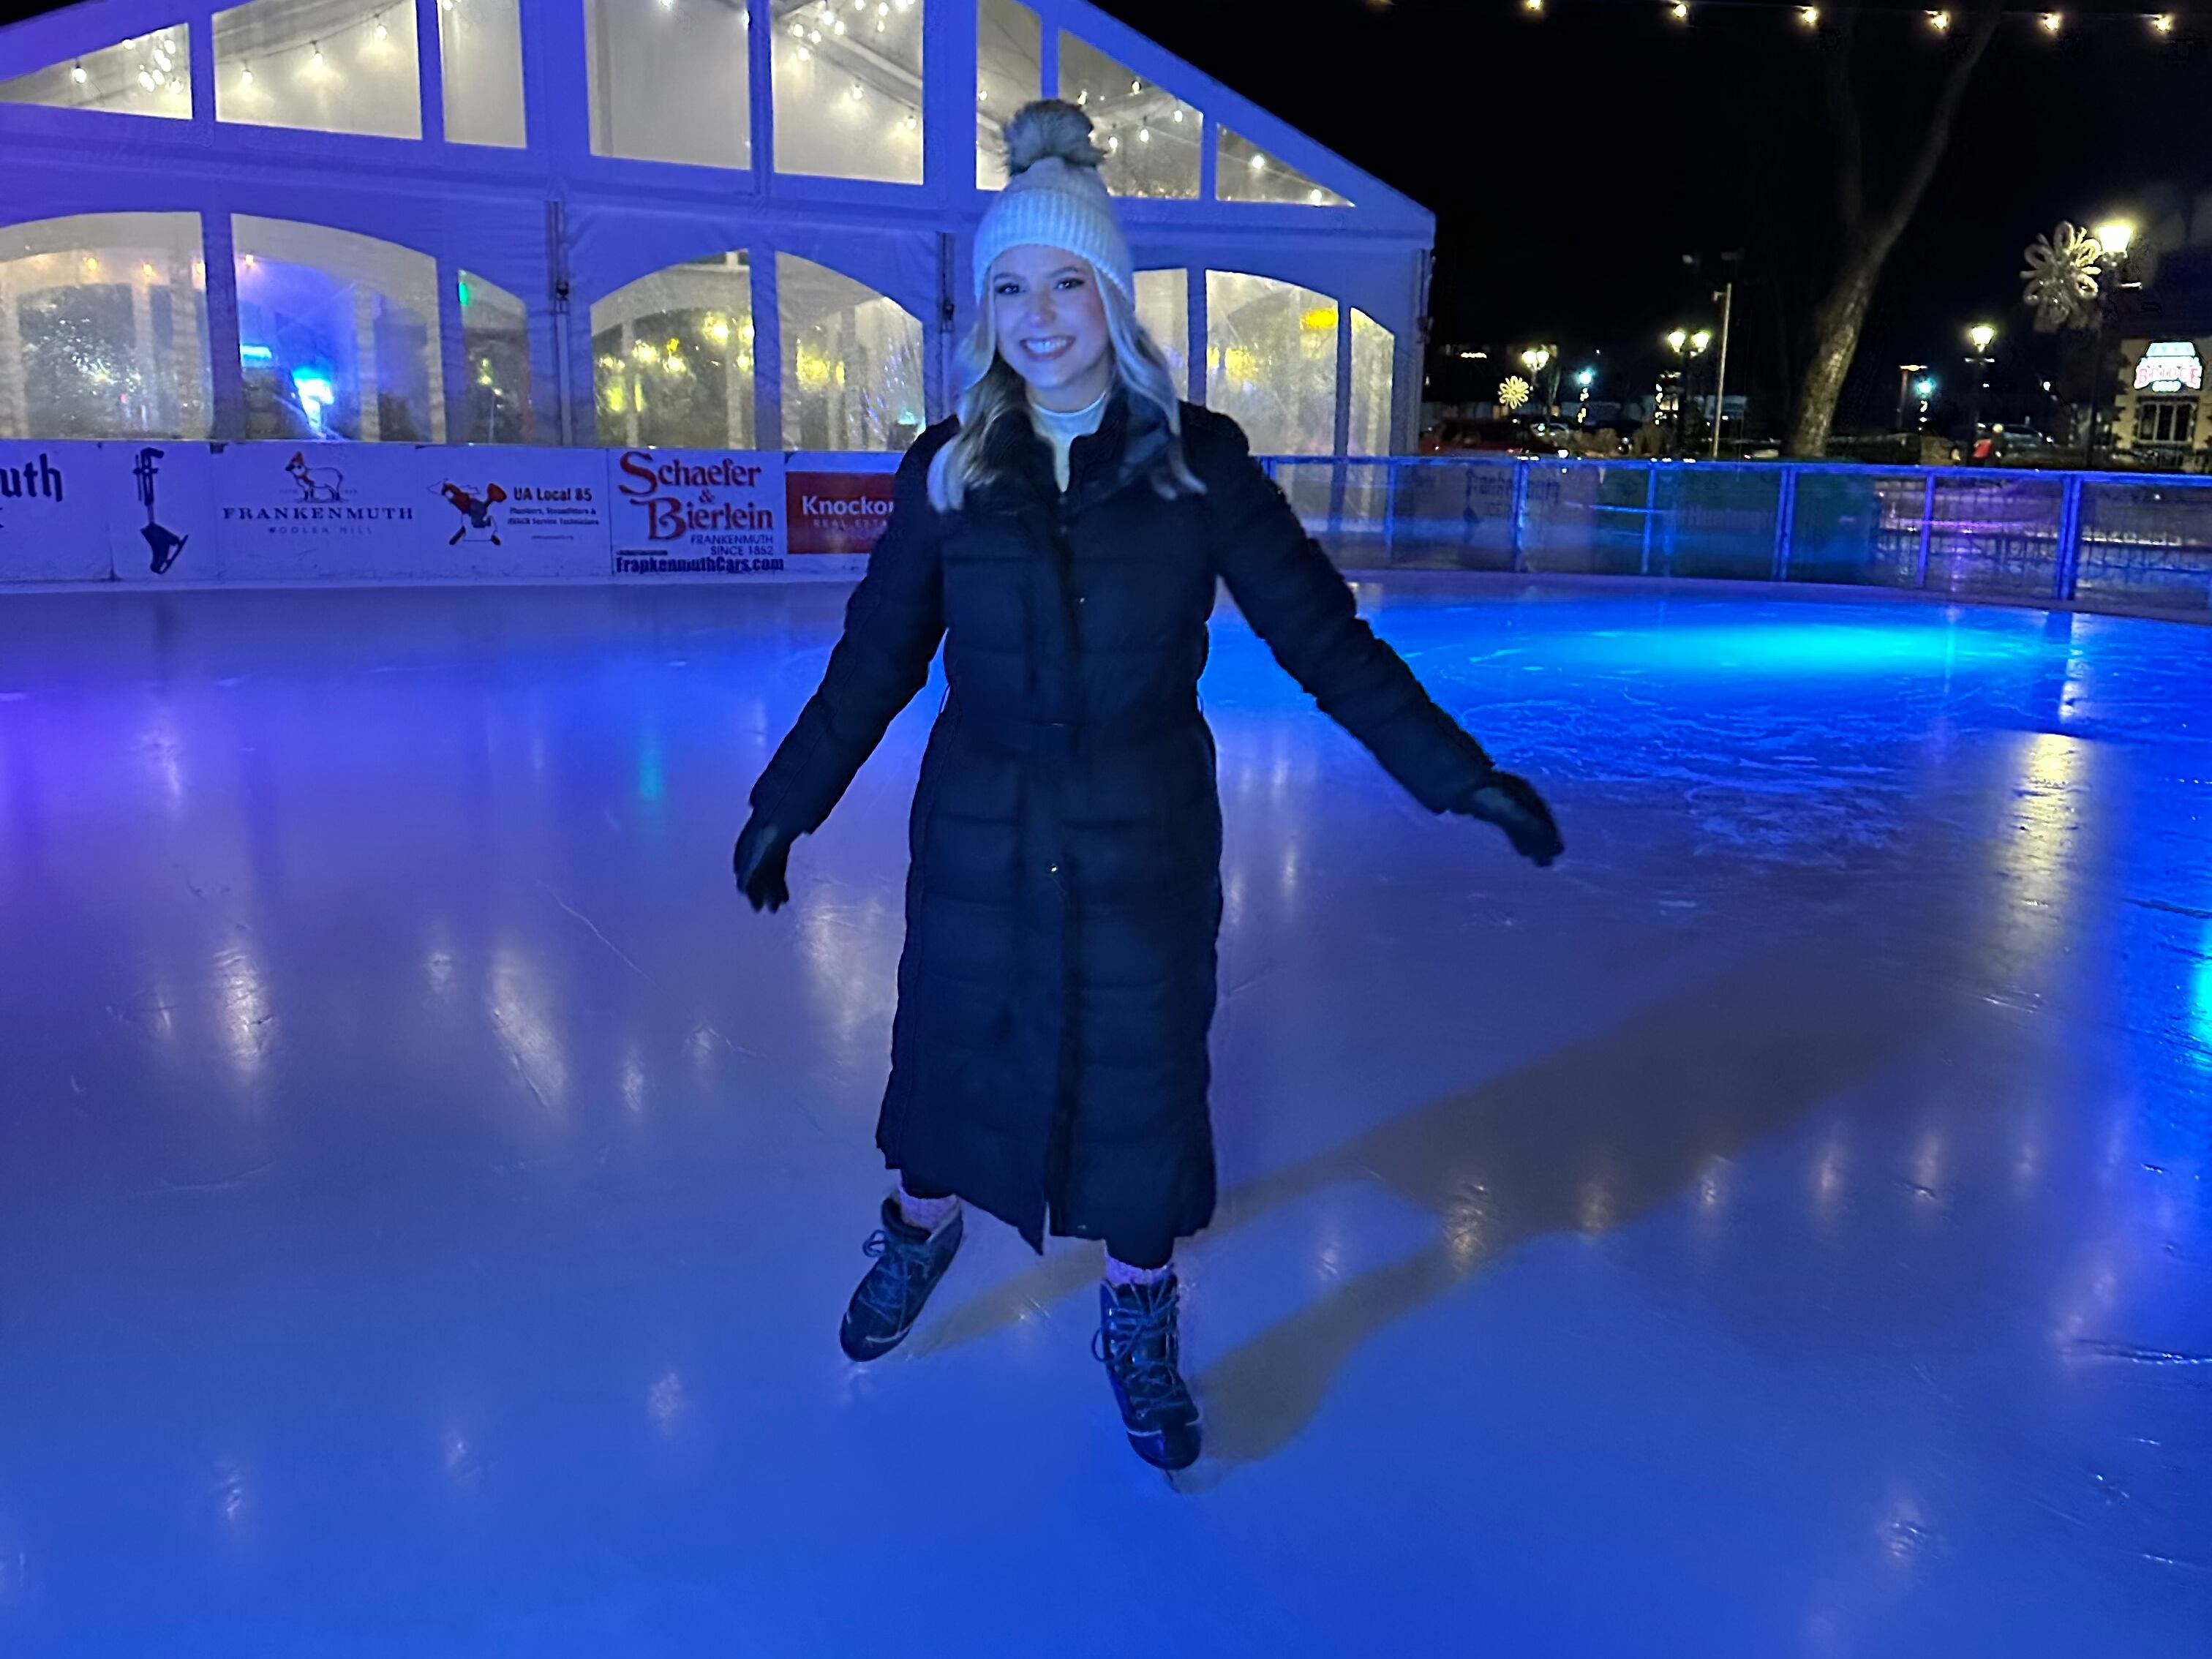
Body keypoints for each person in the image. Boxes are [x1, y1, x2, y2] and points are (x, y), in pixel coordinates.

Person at [731, 100, 1562, 1473]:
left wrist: (1455, 777)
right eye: (1011, 287)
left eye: (1067, 283)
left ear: (1114, 298)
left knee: (1139, 1086)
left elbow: (1323, 639)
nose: (1040, 315)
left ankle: (1137, 1315)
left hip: (1140, 836)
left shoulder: (1199, 462)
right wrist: (789, 799)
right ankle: (916, 1235)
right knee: (952, 1057)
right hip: (982, 833)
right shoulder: (947, 471)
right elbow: (876, 656)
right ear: (982, 309)